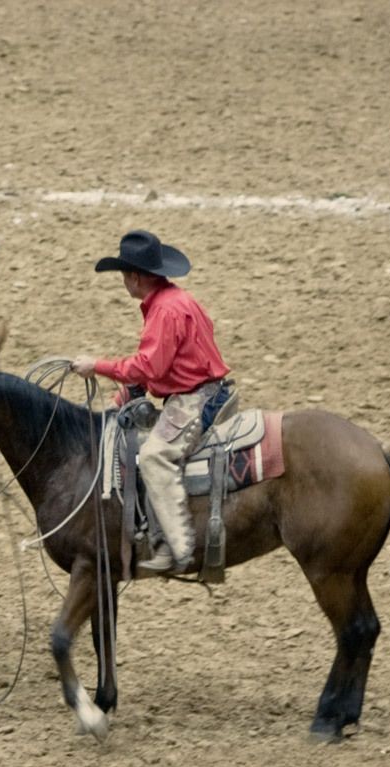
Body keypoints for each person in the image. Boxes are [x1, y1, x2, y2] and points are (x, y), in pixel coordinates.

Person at [72, 230, 231, 575]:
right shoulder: (176, 301)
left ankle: (178, 547)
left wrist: (96, 366)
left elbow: (149, 367)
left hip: (194, 398)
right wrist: (122, 398)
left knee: (155, 456)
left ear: (134, 277)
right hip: (202, 389)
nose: (122, 282)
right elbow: (161, 365)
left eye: (123, 275)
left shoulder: (163, 311)